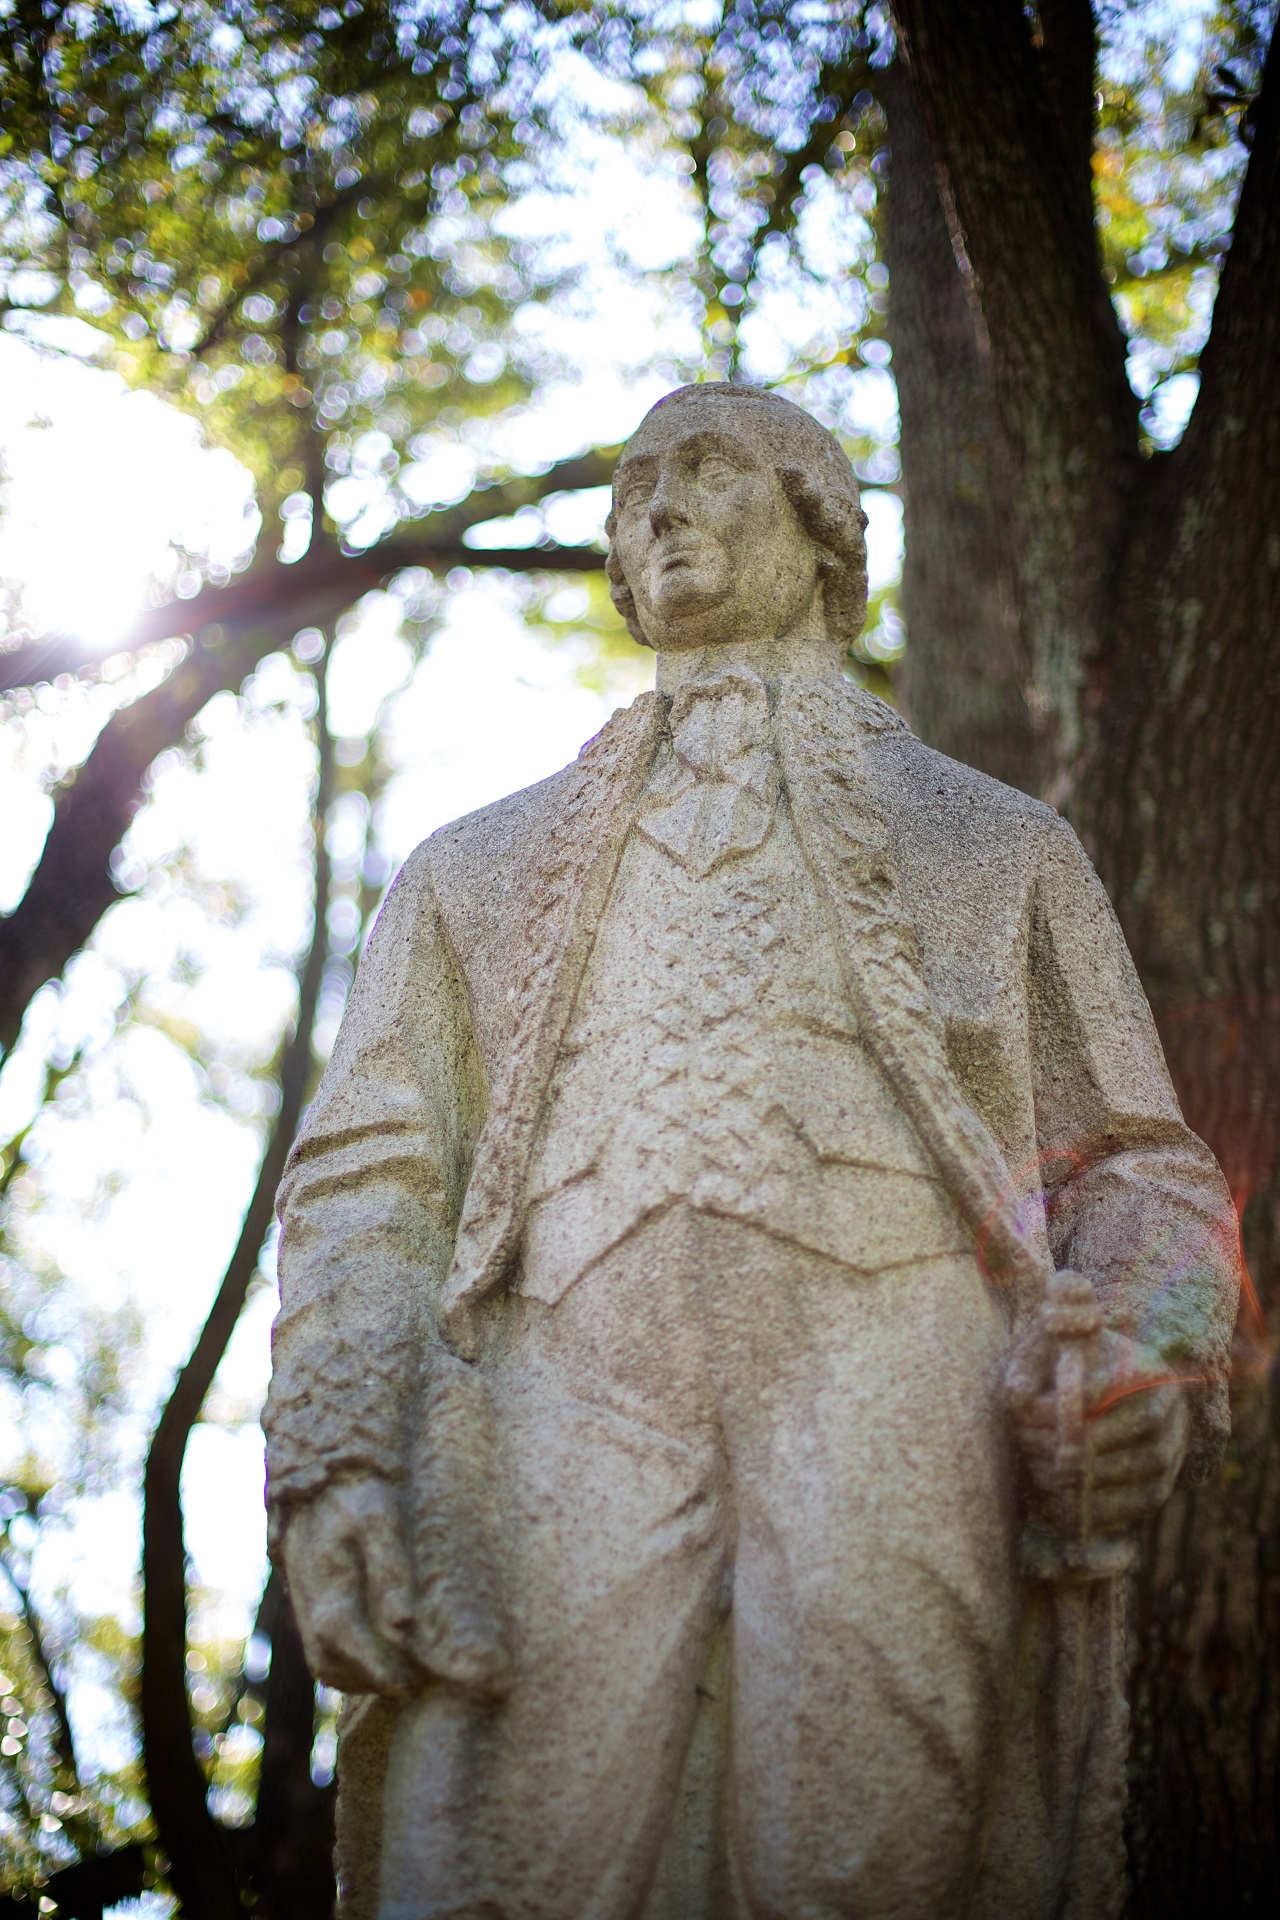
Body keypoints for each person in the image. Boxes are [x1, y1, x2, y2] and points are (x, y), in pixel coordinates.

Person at [264, 384, 1239, 1920]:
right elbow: (365, 1179)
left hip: (897, 1376)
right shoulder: (472, 868)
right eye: (633, 485)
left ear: (823, 525)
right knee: (491, 1865)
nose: (656, 506)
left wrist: (1134, 1353)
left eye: (706, 469)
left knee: (868, 1872)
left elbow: (1146, 1175)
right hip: (560, 1385)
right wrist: (332, 1449)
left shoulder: (992, 844)